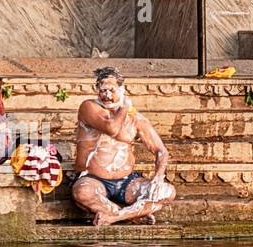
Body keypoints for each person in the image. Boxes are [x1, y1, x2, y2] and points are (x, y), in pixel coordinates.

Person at [71, 66, 176, 226]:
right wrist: (125, 107)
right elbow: (112, 128)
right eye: (102, 90)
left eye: (112, 90)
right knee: (82, 193)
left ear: (121, 89)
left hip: (127, 182)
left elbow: (160, 150)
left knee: (167, 192)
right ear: (96, 89)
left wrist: (158, 178)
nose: (106, 95)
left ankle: (115, 216)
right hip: (92, 179)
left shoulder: (136, 118)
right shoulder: (89, 107)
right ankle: (132, 215)